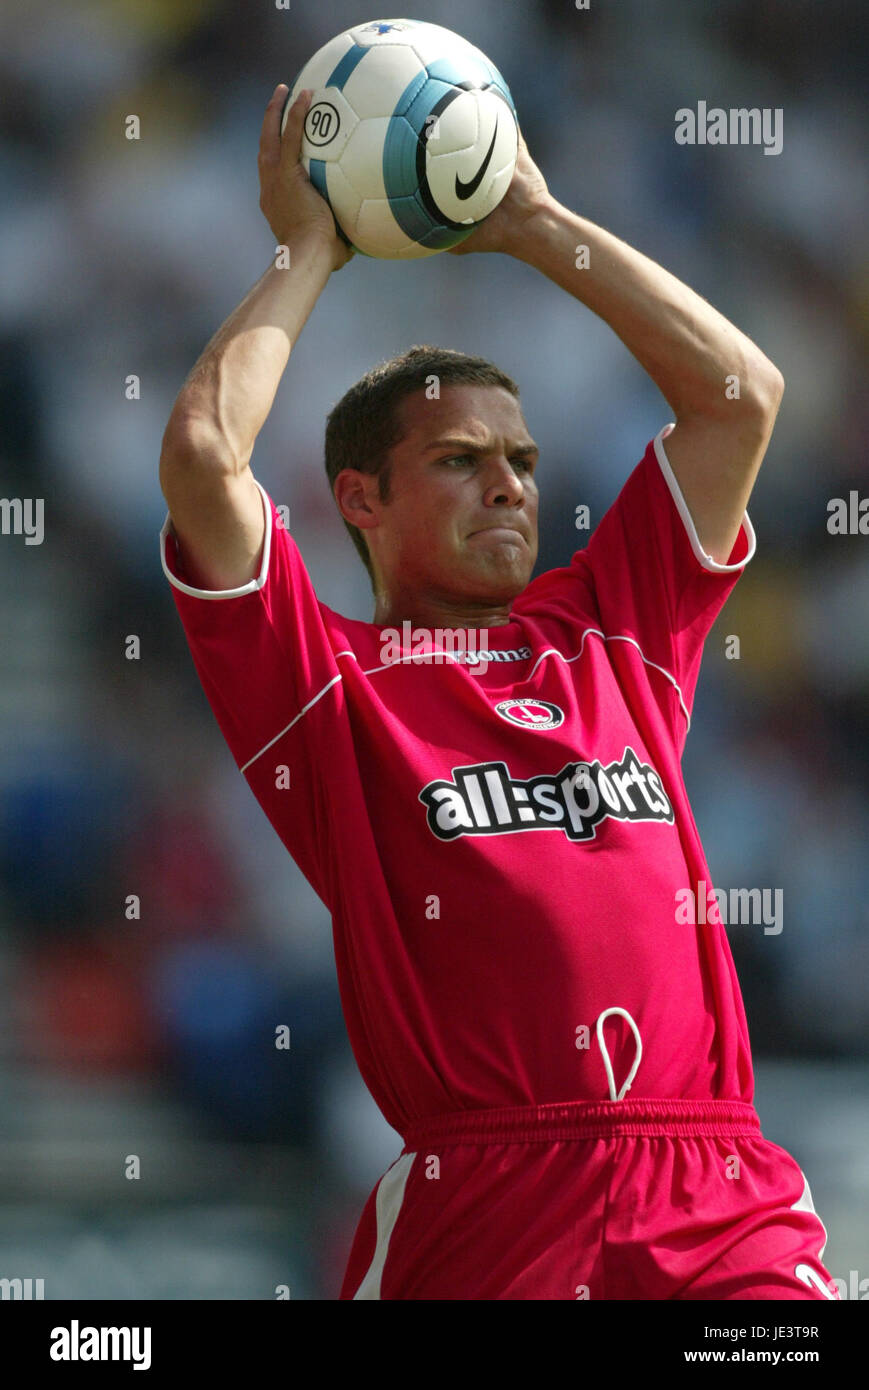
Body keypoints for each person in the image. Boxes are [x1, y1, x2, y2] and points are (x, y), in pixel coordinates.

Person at [158, 83, 838, 1300]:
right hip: (489, 1211)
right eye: (460, 462)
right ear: (359, 500)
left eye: (520, 461)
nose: (509, 488)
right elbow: (207, 456)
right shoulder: (326, 688)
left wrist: (532, 219)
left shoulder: (611, 630)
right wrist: (307, 247)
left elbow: (739, 399)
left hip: (710, 1193)